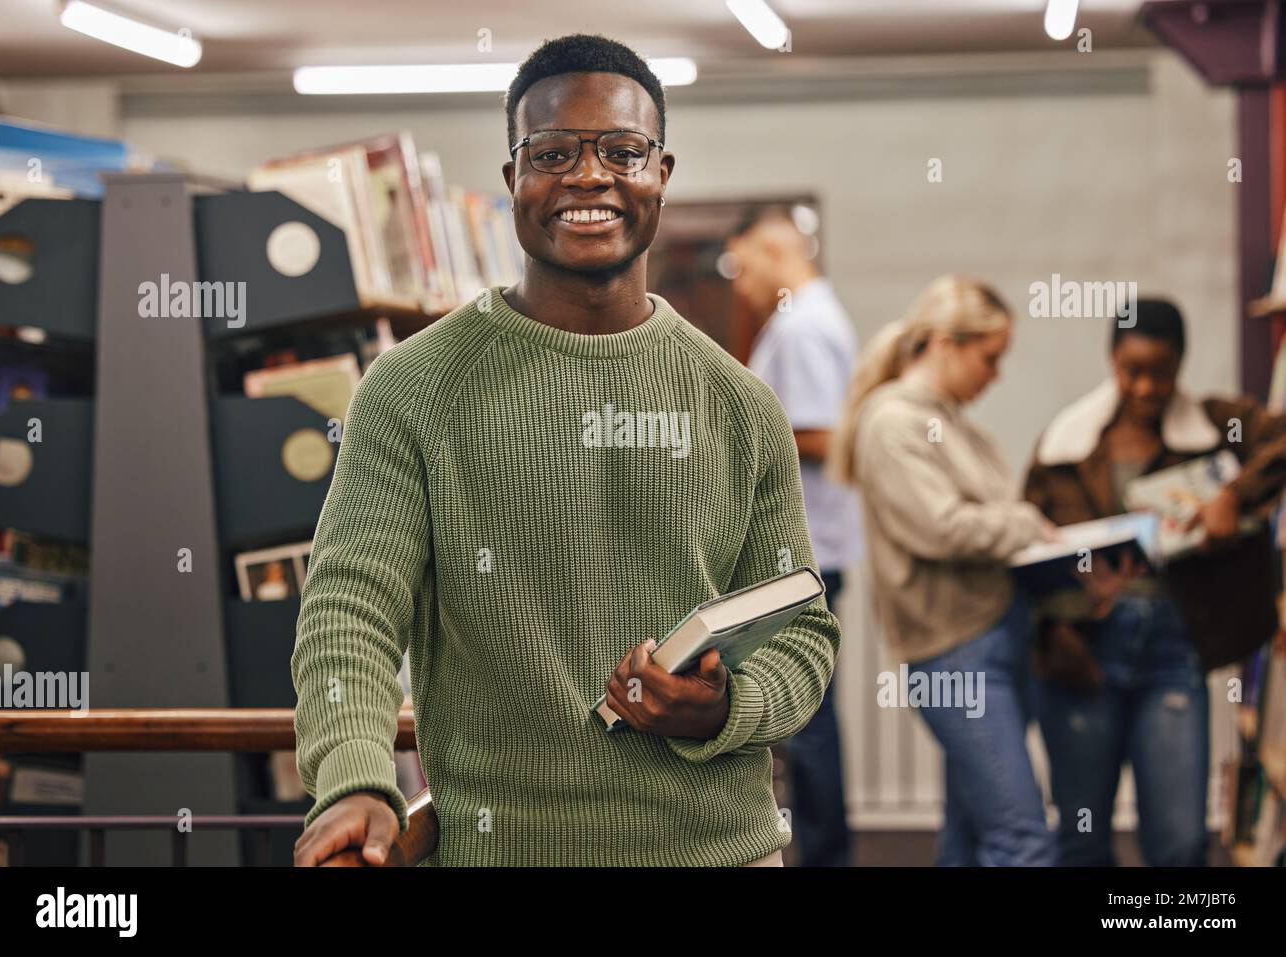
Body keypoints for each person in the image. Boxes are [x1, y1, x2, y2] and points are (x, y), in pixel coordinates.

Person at [290, 33, 840, 867]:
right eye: (553, 153)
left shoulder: (741, 405)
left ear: (661, 173)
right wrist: (358, 779)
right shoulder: (411, 389)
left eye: (623, 150)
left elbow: (802, 636)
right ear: (514, 180)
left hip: (723, 851)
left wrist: (725, 706)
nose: (589, 176)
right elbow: (349, 612)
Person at [1023, 298, 1286, 866]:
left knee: (1180, 839)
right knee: (1082, 837)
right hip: (1083, 654)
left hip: (1173, 650)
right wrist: (1058, 629)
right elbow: (1027, 549)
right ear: (1112, 361)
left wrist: (1234, 495)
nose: (1145, 386)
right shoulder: (1066, 442)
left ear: (1181, 365)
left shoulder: (1217, 425)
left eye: (1161, 373)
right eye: (1131, 370)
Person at [827, 274, 1056, 866]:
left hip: (990, 634)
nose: (995, 374)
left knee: (974, 831)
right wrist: (1026, 524)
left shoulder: (947, 419)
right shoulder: (895, 423)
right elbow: (942, 527)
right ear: (946, 344)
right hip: (954, 651)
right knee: (1022, 836)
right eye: (989, 357)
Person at [728, 204, 859, 866]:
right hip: (813, 550)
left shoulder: (803, 328)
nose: (740, 282)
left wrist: (735, 438)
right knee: (810, 719)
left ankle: (828, 856)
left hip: (803, 556)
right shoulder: (806, 321)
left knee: (806, 722)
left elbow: (822, 433)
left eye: (743, 264)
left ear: (776, 249)